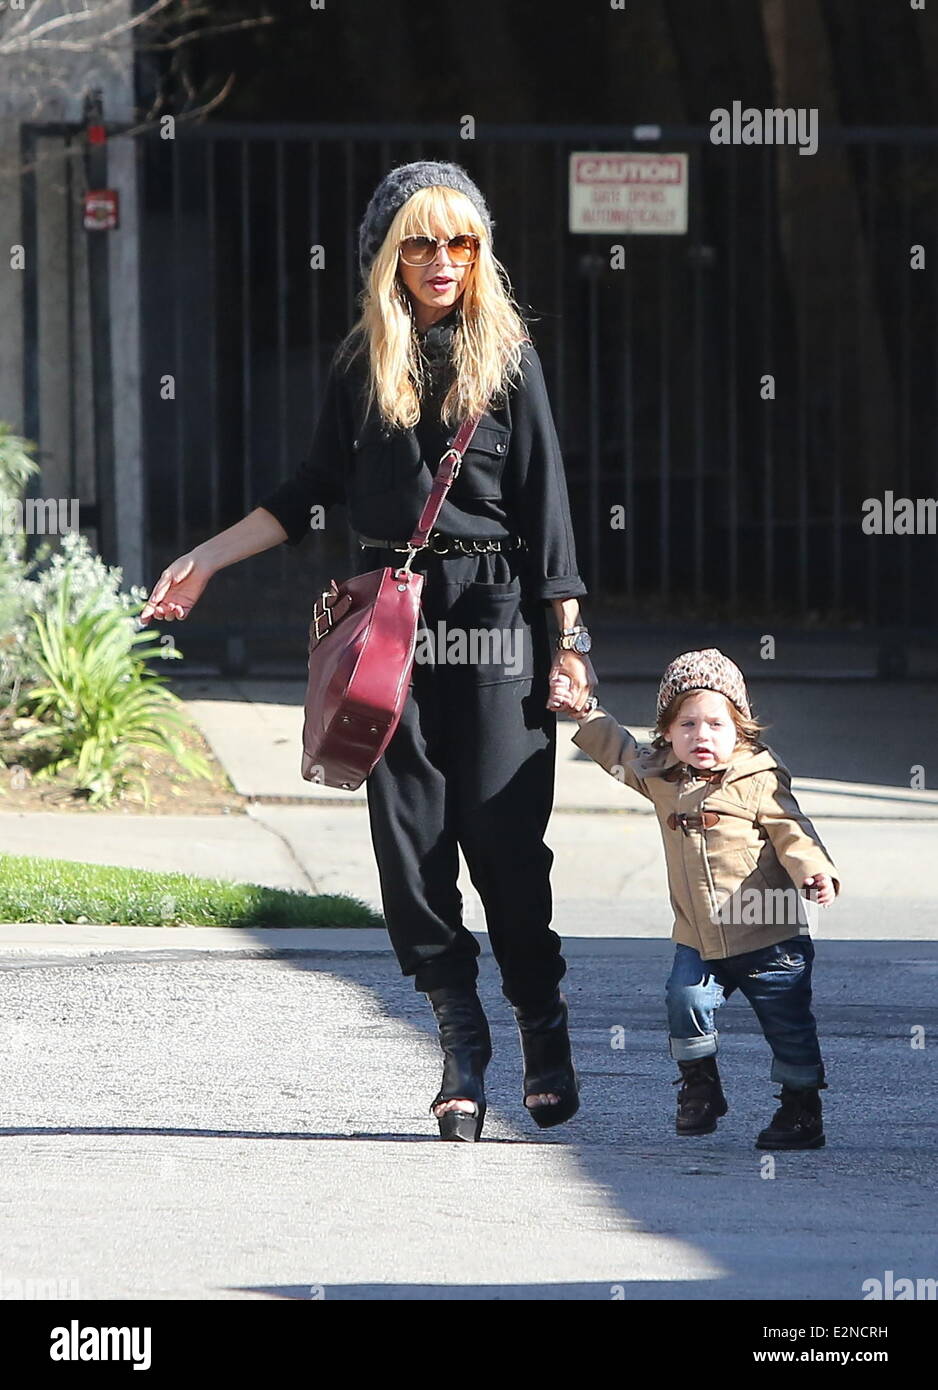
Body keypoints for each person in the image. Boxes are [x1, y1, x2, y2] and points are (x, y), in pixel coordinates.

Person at [140, 161, 597, 1142]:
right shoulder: (361, 367)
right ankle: (460, 1044)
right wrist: (206, 559)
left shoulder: (507, 361)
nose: (443, 261)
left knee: (504, 842)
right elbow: (309, 491)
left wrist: (569, 645)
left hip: (496, 617)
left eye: (461, 242)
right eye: (423, 242)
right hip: (388, 624)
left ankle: (540, 1023)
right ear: (389, 253)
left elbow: (548, 511)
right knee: (411, 843)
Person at [558, 648, 841, 1150]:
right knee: (684, 999)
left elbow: (792, 829)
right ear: (666, 732)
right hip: (699, 935)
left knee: (788, 1024)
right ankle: (700, 1086)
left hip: (769, 935)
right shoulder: (664, 778)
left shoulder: (758, 779)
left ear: (741, 731)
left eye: (716, 724)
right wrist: (584, 711)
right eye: (686, 724)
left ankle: (801, 1108)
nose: (701, 736)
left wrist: (814, 869)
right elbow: (619, 753)